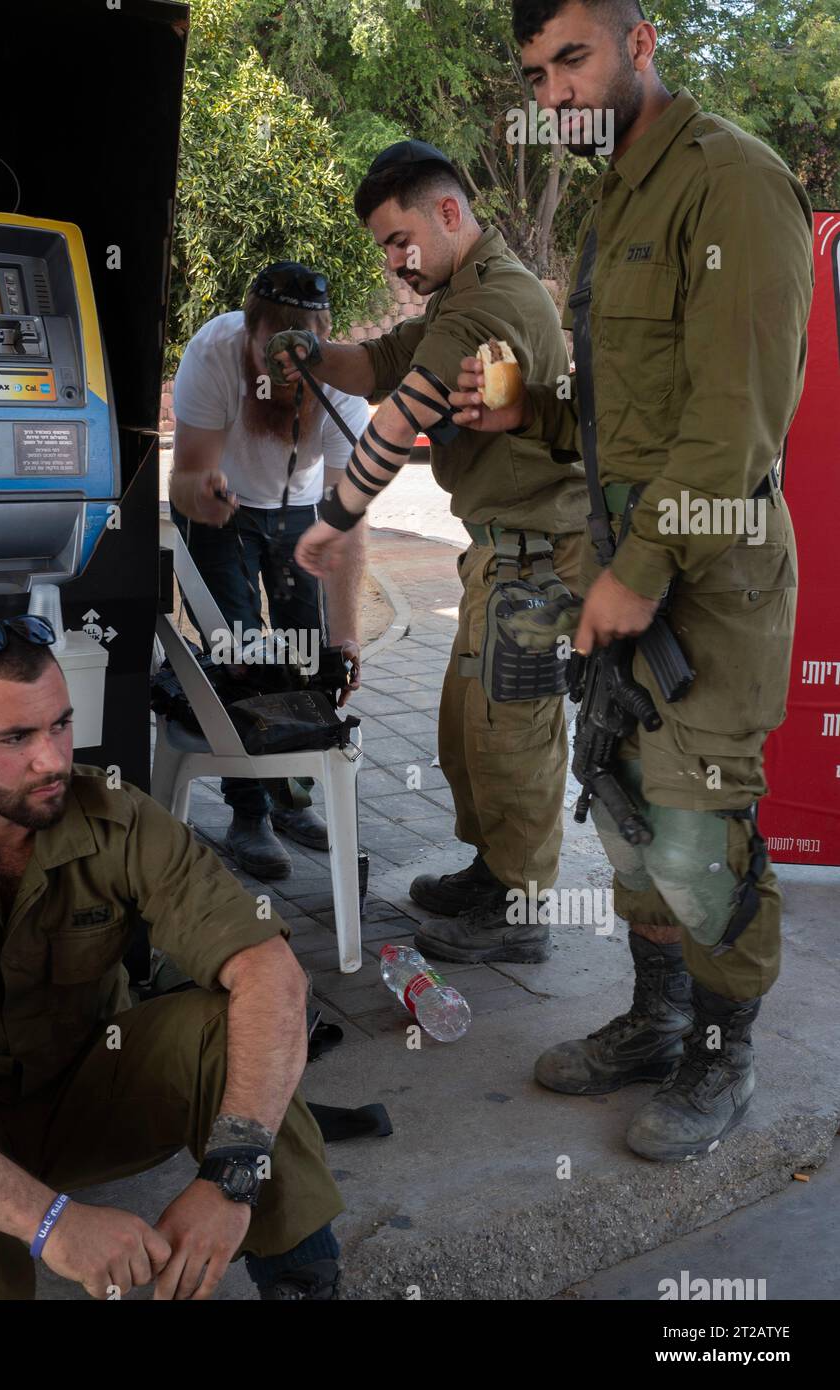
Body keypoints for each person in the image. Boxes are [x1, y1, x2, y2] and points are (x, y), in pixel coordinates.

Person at [446, 0, 813, 1162]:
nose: (553, 91)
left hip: (706, 587)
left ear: (640, 41)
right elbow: (625, 418)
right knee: (623, 809)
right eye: (536, 71)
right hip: (623, 573)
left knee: (699, 833)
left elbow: (732, 427)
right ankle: (657, 1019)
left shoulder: (733, 184)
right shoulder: (619, 191)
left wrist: (640, 573)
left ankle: (722, 1050)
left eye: (574, 58)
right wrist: (532, 410)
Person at [0, 615, 344, 1299]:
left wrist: (234, 1175)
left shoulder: (115, 814)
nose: (51, 760)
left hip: (88, 1095)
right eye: (15, 738)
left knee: (234, 1024)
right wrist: (51, 1224)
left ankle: (304, 1279)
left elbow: (269, 972)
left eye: (59, 724)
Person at [267, 144, 588, 963]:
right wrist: (309, 352)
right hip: (498, 557)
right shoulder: (461, 295)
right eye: (383, 246)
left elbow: (399, 414)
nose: (393, 261)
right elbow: (377, 363)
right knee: (469, 731)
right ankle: (494, 872)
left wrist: (333, 519)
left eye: (399, 239)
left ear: (448, 213)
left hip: (537, 559)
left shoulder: (492, 303)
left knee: (512, 738)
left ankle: (521, 911)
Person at [169, 262, 369, 880]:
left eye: (300, 350)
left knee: (311, 658)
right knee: (240, 657)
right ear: (248, 332)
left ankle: (292, 797)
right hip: (221, 513)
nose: (286, 368)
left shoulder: (341, 382)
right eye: (271, 348)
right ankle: (248, 812)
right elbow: (182, 481)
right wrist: (204, 493)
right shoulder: (213, 354)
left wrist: (346, 633)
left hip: (301, 510)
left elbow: (348, 516)